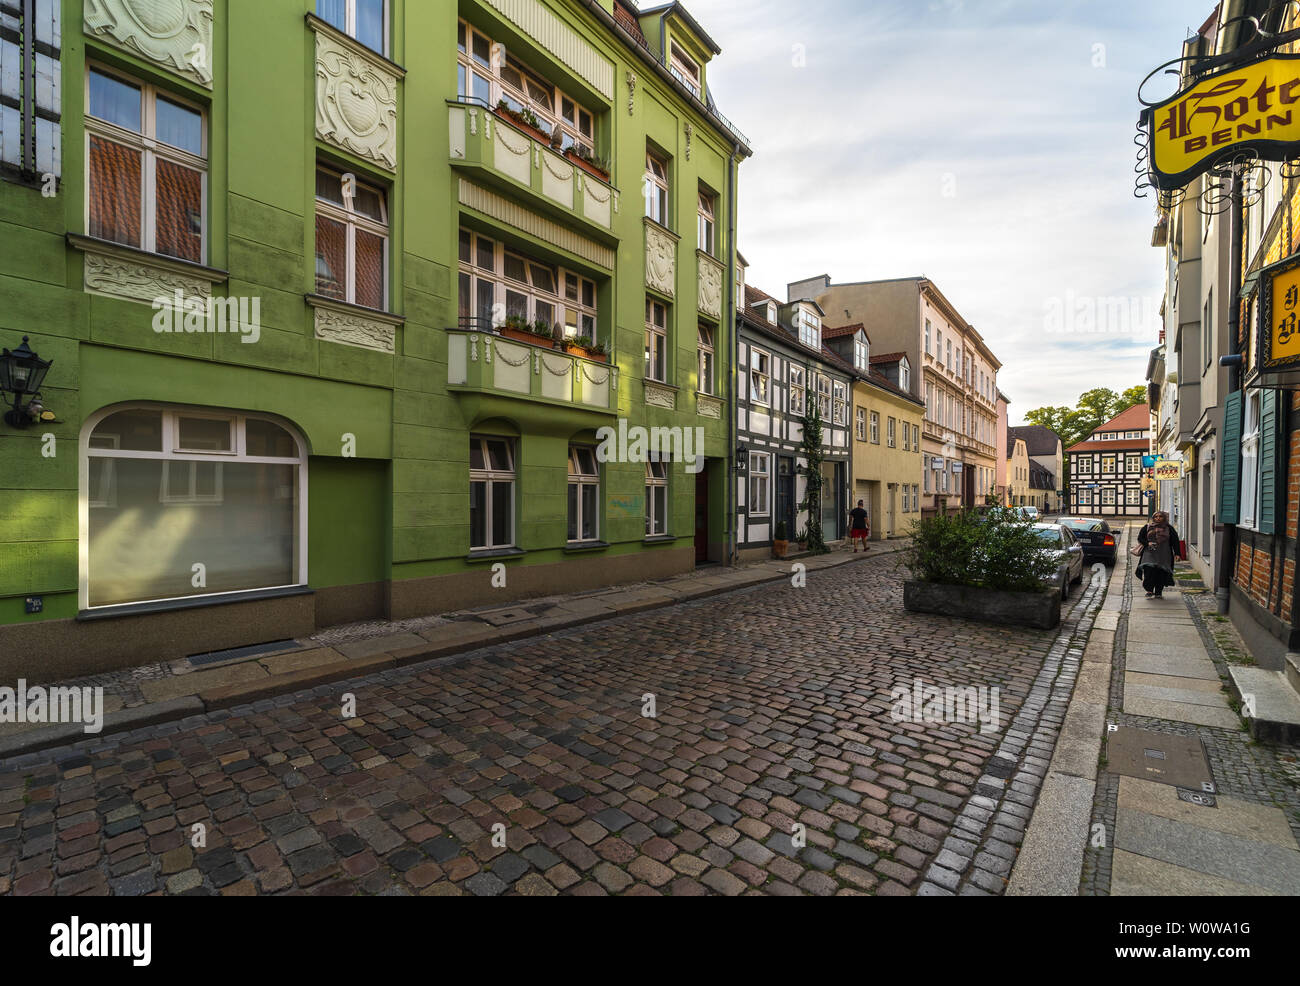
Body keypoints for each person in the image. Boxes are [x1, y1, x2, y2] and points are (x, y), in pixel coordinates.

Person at [1135, 510, 1182, 598]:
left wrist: (1177, 554)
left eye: (1160, 516)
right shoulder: (1147, 527)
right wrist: (1147, 543)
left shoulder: (1169, 528)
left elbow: (1175, 541)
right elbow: (1140, 538)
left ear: (1164, 518)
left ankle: (1158, 592)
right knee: (1148, 572)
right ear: (1153, 518)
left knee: (1161, 573)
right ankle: (1149, 590)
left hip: (1164, 554)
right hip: (1149, 554)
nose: (1158, 518)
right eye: (1156, 517)